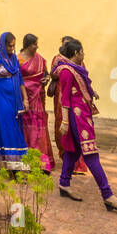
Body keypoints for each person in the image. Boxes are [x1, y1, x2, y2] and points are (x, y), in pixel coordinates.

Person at [56, 37, 117, 211]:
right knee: (90, 154)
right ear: (75, 53)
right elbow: (64, 98)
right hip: (76, 117)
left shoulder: (76, 69)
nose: (84, 54)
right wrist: (65, 121)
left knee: (75, 150)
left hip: (82, 114)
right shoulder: (66, 71)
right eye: (82, 52)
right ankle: (107, 195)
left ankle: (64, 183)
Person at [0, 32, 28, 171]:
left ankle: (10, 162)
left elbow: (20, 79)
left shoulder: (14, 58)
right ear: (3, 44)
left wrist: (25, 99)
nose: (12, 49)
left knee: (15, 125)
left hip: (14, 98)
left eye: (14, 46)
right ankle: (11, 164)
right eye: (10, 46)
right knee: (6, 126)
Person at [49, 39, 88, 175]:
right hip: (63, 97)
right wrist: (65, 121)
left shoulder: (79, 62)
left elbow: (85, 78)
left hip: (79, 104)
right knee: (64, 127)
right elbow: (53, 75)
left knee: (77, 134)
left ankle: (72, 169)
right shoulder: (62, 64)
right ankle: (66, 159)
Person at [18, 33, 54, 172]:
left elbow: (46, 74)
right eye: (35, 44)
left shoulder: (40, 59)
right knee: (26, 129)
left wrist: (46, 79)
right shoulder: (18, 59)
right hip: (24, 98)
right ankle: (26, 159)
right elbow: (16, 79)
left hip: (38, 97)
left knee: (39, 128)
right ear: (28, 45)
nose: (37, 46)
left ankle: (41, 161)